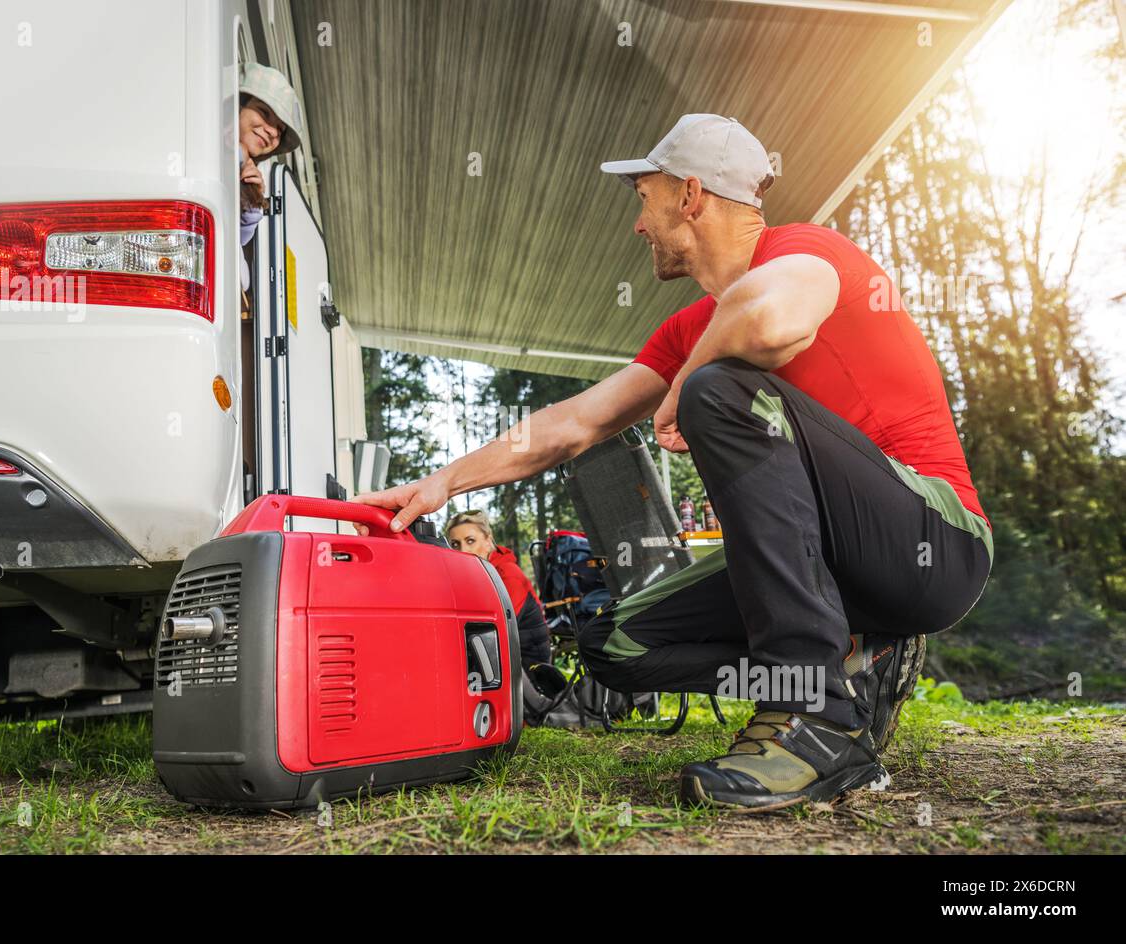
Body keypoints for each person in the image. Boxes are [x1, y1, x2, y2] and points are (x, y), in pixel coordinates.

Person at [354, 114, 992, 810]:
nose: (639, 225)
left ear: (690, 196)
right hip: (839, 570)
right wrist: (441, 483)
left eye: (644, 199)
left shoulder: (806, 251)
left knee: (721, 394)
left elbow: (772, 320)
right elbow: (574, 424)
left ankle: (815, 722)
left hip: (933, 540)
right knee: (615, 645)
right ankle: (841, 669)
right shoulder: (691, 330)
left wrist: (690, 383)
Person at [444, 510, 552, 668]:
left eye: (470, 541)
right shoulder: (474, 575)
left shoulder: (507, 574)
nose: (462, 550)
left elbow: (500, 629)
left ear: (488, 542)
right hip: (497, 651)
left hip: (529, 659)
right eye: (455, 544)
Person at [236, 63, 304, 294]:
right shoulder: (206, 142)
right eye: (264, 113)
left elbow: (239, 243)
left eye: (279, 129)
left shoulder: (247, 176)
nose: (273, 132)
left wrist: (251, 209)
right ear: (237, 104)